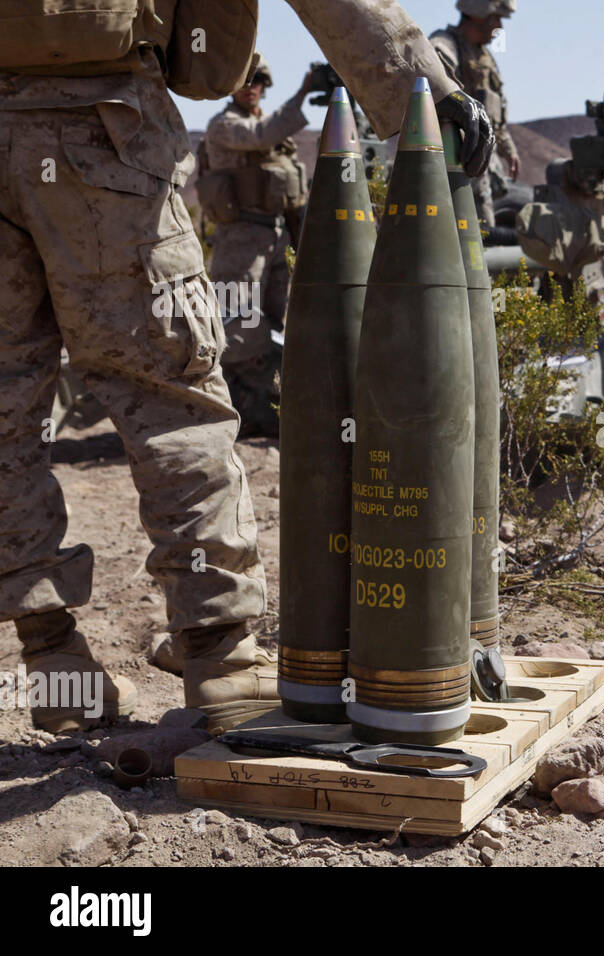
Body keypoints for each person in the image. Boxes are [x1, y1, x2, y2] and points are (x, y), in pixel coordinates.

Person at [0, 0, 494, 735]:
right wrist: (418, 86)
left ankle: (53, 661)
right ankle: (219, 661)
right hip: (100, 135)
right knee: (171, 395)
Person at [199, 53, 309, 439]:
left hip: (275, 237)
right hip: (240, 240)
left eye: (257, 80)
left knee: (273, 325)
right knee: (239, 323)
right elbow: (262, 136)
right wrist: (306, 92)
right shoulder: (224, 126)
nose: (251, 87)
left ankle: (264, 403)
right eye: (244, 80)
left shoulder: (272, 130)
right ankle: (231, 406)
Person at [430, 0, 521, 228]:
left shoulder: (484, 57)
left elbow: (493, 109)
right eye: (497, 18)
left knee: (481, 235)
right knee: (472, 236)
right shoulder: (444, 46)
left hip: (477, 161)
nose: (500, 26)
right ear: (480, 15)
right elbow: (435, 88)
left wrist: (508, 149)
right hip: (454, 160)